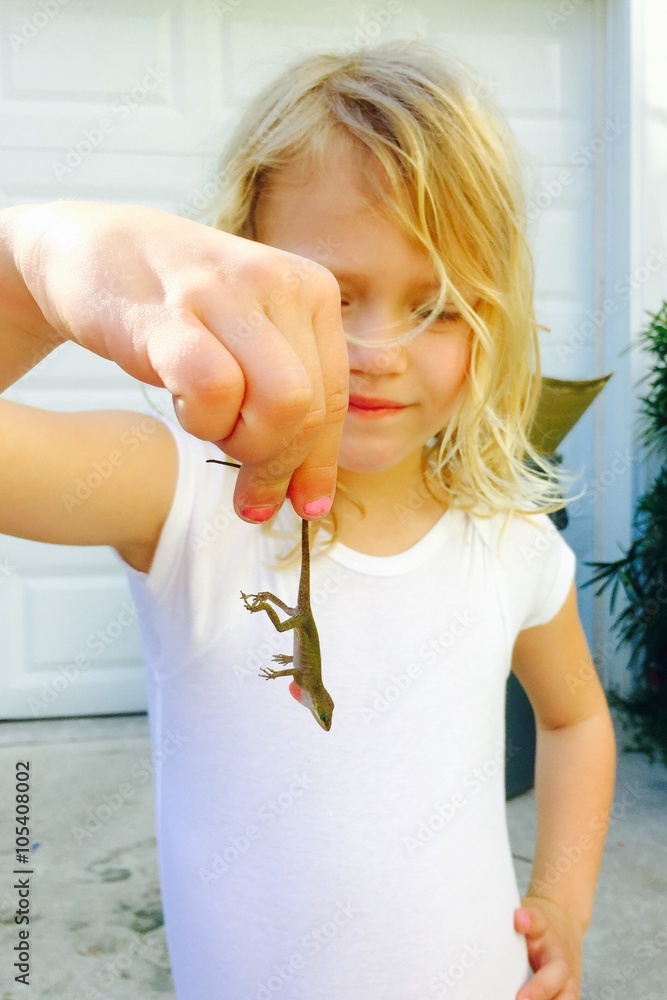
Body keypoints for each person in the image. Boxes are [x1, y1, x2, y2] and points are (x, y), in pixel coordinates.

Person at [0, 40, 615, 1000]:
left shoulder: (514, 544)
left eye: (440, 306)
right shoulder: (179, 493)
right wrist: (32, 257)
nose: (375, 350)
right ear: (236, 271)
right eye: (327, 296)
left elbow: (576, 718)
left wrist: (564, 903)